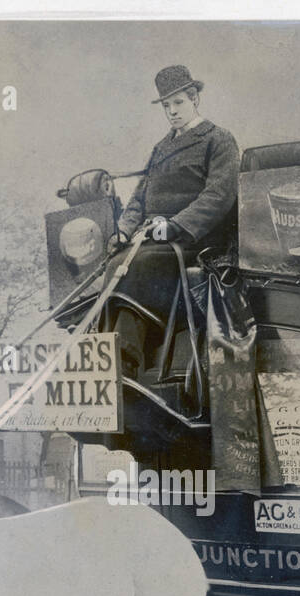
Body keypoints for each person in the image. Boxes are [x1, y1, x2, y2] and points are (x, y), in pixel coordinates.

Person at [107, 64, 239, 375]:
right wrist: (124, 230)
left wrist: (176, 225)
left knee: (139, 263)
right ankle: (107, 348)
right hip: (154, 237)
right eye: (166, 106)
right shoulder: (161, 147)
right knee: (116, 260)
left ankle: (126, 357)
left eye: (178, 103)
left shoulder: (218, 140)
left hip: (195, 241)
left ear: (194, 98)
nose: (172, 112)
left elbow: (218, 196)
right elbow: (140, 197)